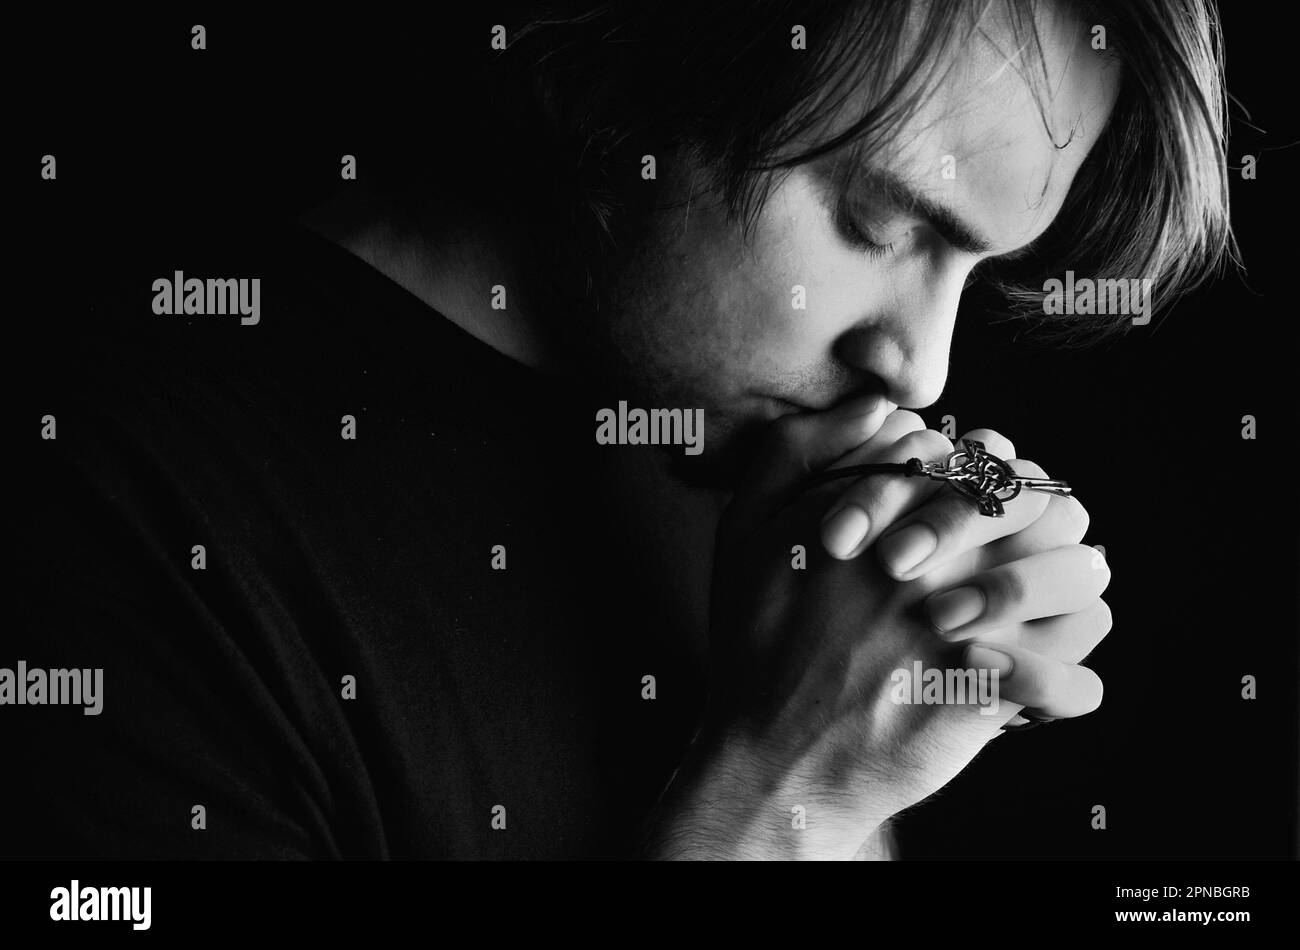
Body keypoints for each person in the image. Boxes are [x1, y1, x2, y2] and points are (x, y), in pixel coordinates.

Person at [14, 0, 1232, 860]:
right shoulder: (102, 517)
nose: (919, 365)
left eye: (977, 267)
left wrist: (879, 744)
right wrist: (781, 788)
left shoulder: (764, 475)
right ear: (618, 62)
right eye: (873, 220)